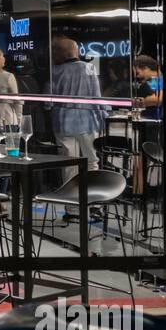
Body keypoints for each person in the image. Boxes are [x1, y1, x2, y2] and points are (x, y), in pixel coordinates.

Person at [50, 37, 105, 220]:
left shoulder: (54, 71)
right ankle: (94, 205)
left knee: (69, 166)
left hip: (62, 123)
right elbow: (96, 97)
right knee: (91, 162)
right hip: (87, 121)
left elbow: (48, 101)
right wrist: (102, 118)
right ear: (75, 51)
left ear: (62, 52)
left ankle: (73, 210)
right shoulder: (88, 68)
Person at [133, 54, 164, 120]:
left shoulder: (160, 81)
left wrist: (137, 103)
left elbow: (158, 99)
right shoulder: (148, 82)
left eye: (138, 73)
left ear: (146, 68)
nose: (136, 77)